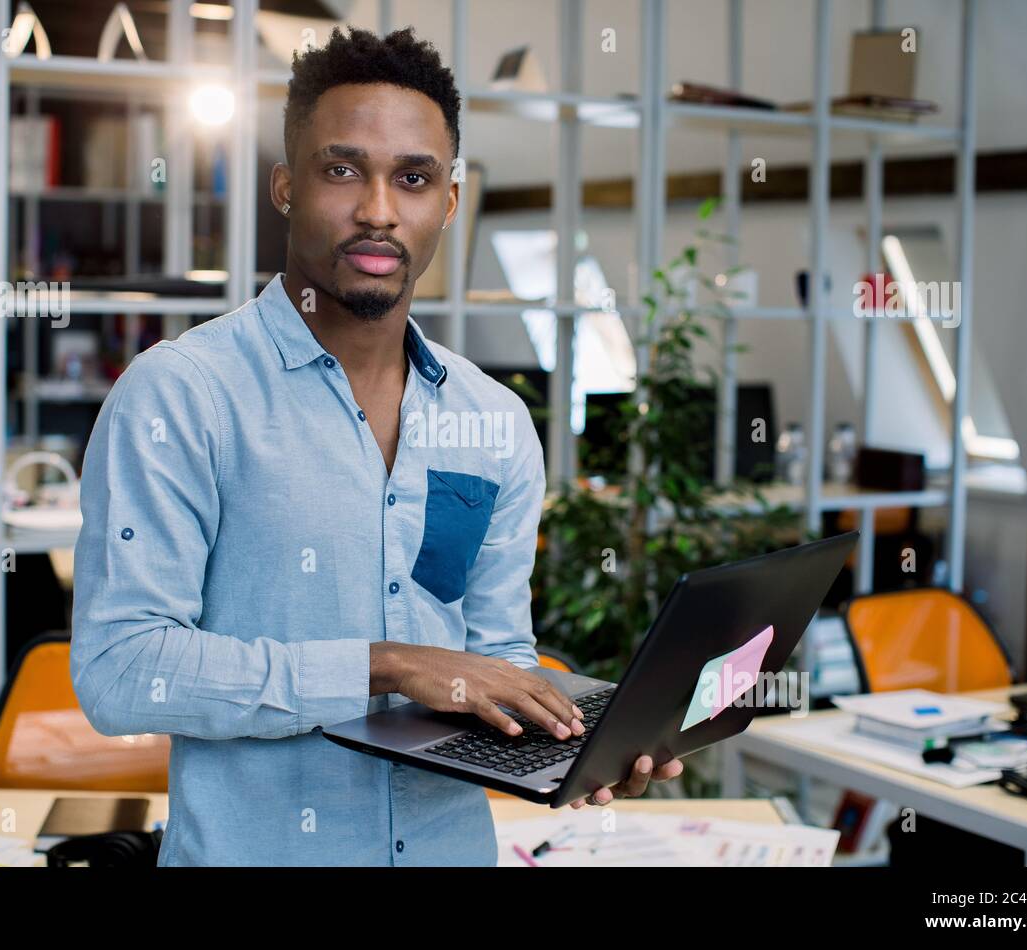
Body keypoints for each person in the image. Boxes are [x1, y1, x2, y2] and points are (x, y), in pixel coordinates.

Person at [70, 25, 681, 866]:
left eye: (415, 178)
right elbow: (121, 670)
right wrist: (385, 665)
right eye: (343, 169)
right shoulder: (182, 394)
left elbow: (493, 650)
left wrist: (567, 736)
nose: (379, 210)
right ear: (286, 186)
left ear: (451, 202)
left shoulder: (495, 419)